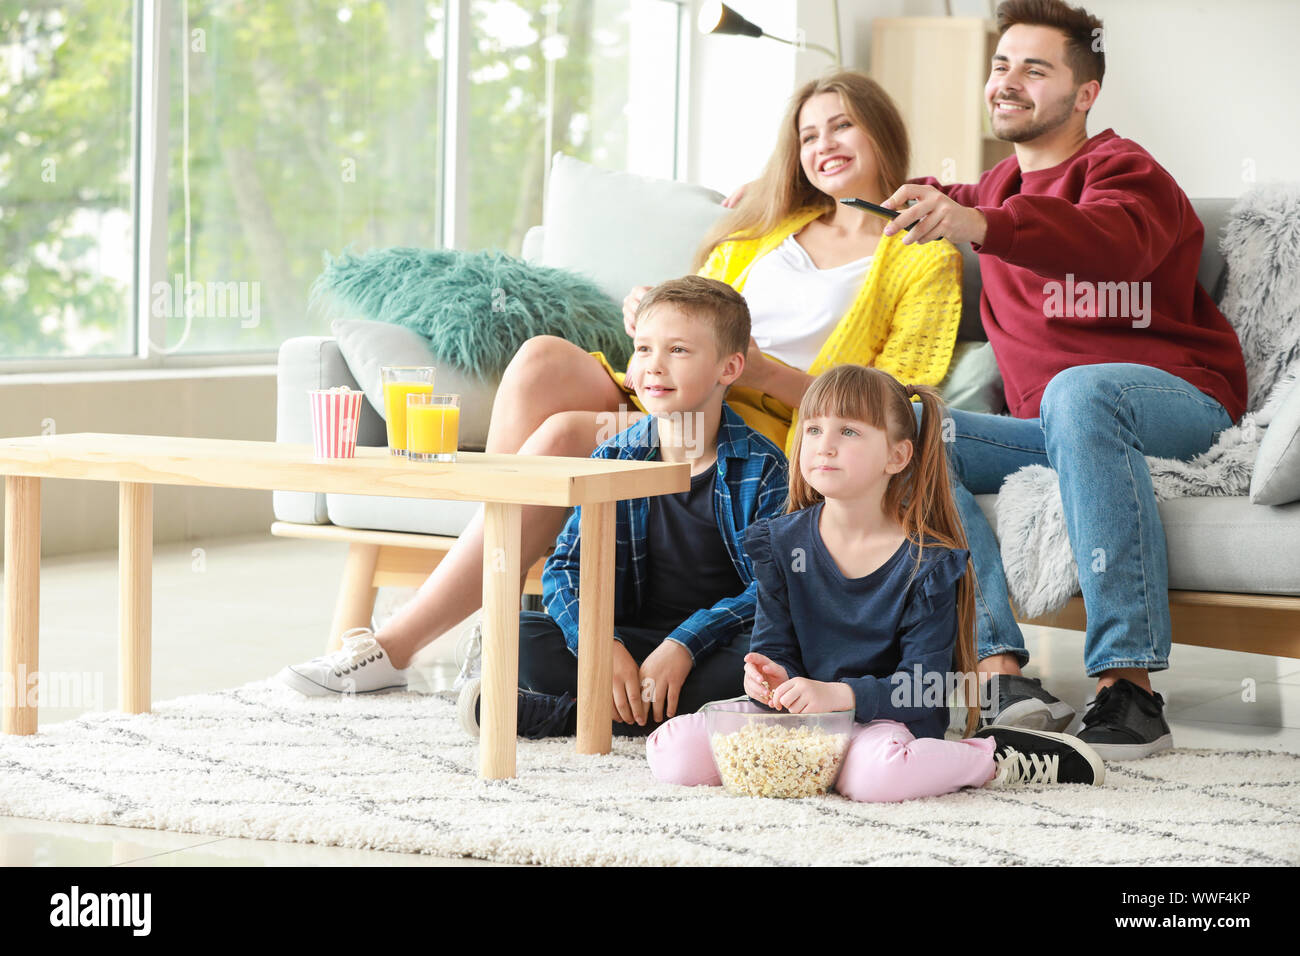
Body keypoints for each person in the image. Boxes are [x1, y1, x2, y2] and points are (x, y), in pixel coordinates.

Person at [277, 70, 964, 708]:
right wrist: (653, 314)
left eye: (840, 126)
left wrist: (760, 372)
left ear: (881, 132)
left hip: (750, 428)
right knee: (545, 358)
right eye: (808, 134)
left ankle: (421, 639)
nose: (823, 145)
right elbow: (699, 315)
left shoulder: (919, 257)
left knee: (561, 440)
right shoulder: (763, 232)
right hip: (666, 409)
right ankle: (496, 617)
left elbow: (890, 404)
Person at [869, 0, 1248, 759]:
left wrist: (983, 226)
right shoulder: (987, 190)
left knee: (1081, 389)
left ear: (1084, 95)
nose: (1009, 81)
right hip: (1054, 433)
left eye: (1035, 69)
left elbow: (1112, 246)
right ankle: (1004, 673)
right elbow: (902, 199)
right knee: (914, 431)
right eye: (1002, 65)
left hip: (1176, 403)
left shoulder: (1125, 170)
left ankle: (1129, 689)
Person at [646, 365, 1105, 799]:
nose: (824, 445)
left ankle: (993, 758)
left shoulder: (928, 562)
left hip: (883, 722)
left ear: (897, 455)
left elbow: (923, 687)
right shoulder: (780, 544)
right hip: (803, 722)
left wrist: (840, 696)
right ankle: (834, 768)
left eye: (848, 431)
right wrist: (772, 676)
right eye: (813, 430)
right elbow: (776, 648)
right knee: (674, 751)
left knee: (875, 777)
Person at [449, 277, 789, 737]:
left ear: (729, 368)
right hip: (630, 641)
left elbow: (772, 587)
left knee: (777, 660)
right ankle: (674, 713)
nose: (655, 367)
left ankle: (566, 715)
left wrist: (685, 644)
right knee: (517, 636)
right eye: (644, 349)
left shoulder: (764, 466)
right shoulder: (614, 456)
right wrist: (600, 646)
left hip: (716, 646)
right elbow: (566, 567)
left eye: (678, 351)